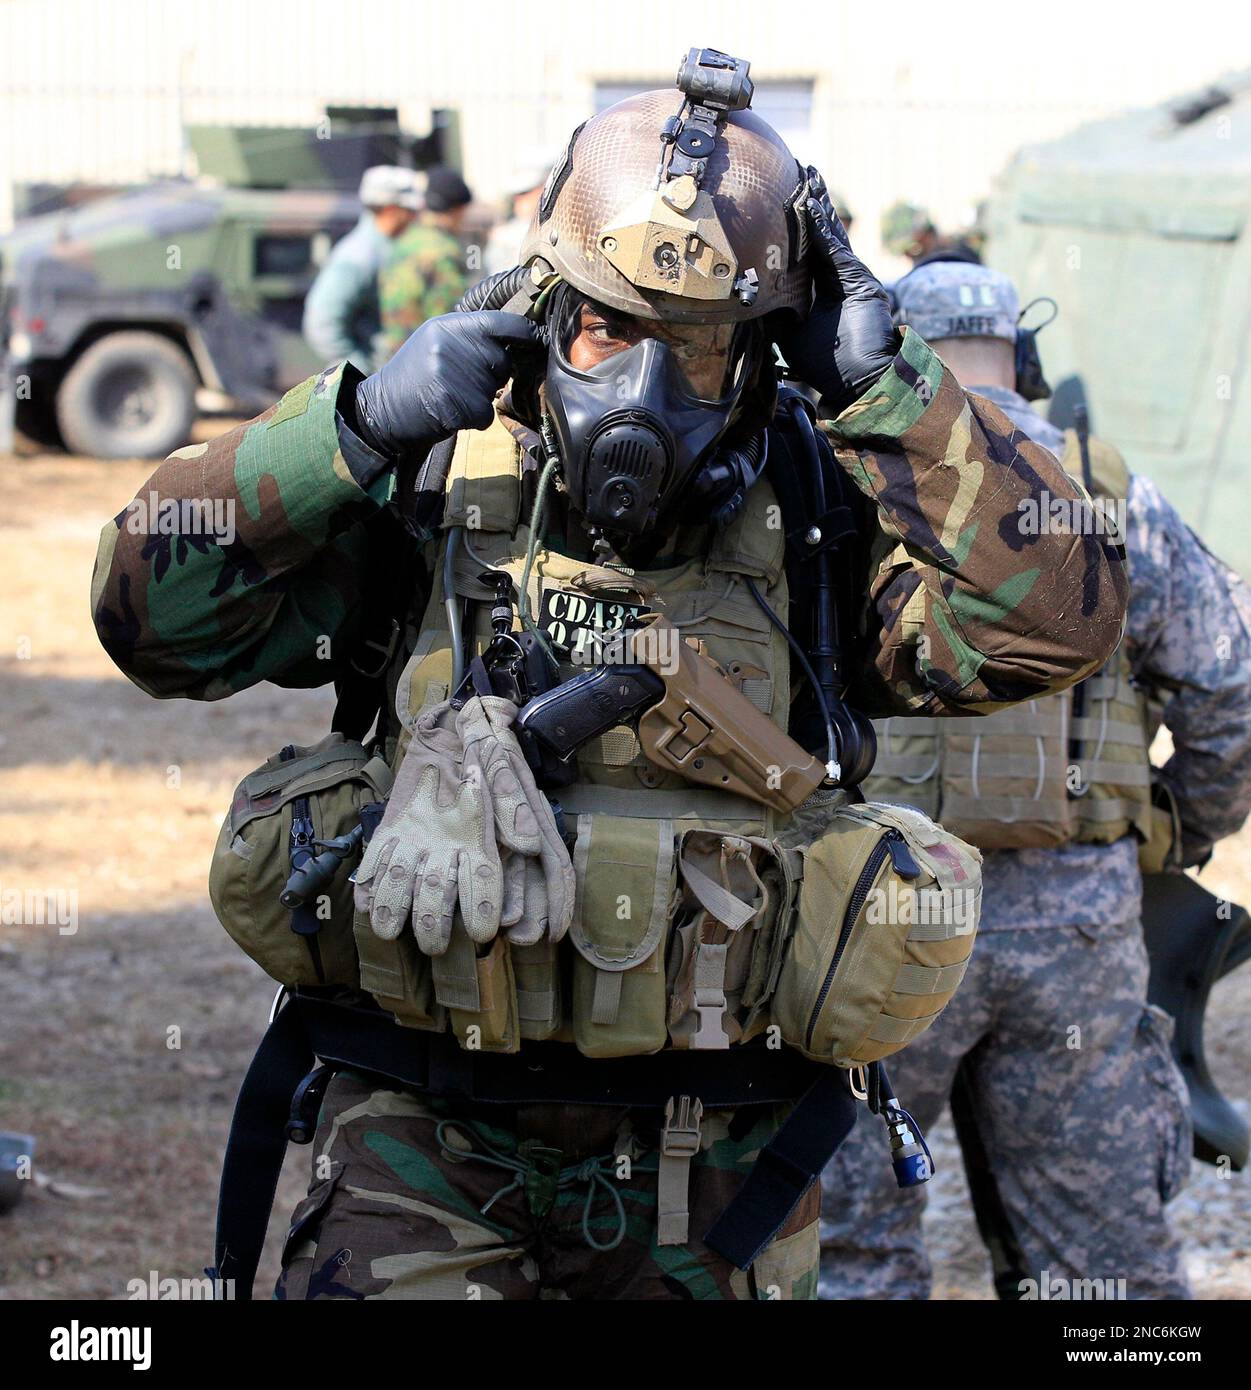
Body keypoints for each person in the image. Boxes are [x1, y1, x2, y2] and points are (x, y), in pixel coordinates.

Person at [91, 48, 1126, 1302]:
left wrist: (888, 390)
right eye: (604, 326)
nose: (640, 388)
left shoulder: (817, 524)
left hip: (718, 1164)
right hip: (423, 1142)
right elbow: (146, 616)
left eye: (695, 350)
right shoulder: (428, 489)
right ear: (539, 303)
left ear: (762, 350)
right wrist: (348, 428)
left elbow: (1061, 621)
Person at [818, 261, 1251, 1301]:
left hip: (878, 913)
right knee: (1101, 1260)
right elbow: (1227, 688)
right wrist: (1176, 832)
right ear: (1020, 352)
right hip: (1074, 923)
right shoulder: (1105, 488)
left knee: (849, 1246)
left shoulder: (843, 486)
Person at [301, 165, 424, 374]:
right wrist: (358, 370)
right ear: (391, 210)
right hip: (369, 382)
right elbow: (322, 322)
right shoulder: (359, 255)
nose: (415, 217)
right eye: (409, 211)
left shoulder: (387, 247)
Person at [377, 165, 473, 362]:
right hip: (427, 361)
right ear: (455, 210)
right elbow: (451, 319)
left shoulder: (404, 241)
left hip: (396, 361)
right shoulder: (443, 250)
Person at [484, 151, 554, 277]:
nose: (519, 201)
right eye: (516, 195)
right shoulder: (504, 237)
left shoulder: (567, 229)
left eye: (526, 192)